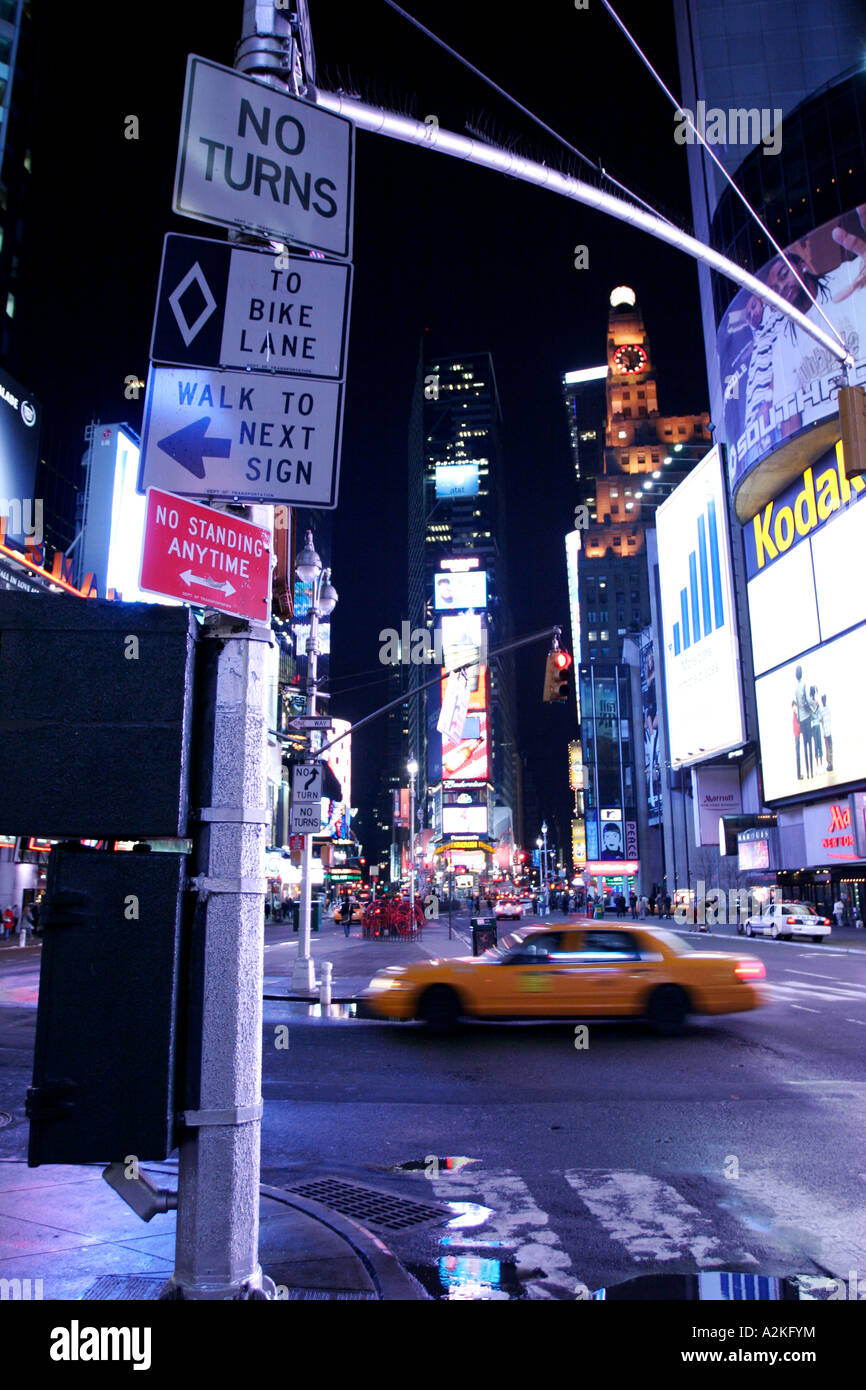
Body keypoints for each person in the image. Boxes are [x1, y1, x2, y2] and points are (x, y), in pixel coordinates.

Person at [819, 694, 833, 772]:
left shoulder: (822, 710)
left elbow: (820, 720)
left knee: (828, 748)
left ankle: (829, 764)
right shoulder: (828, 709)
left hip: (826, 732)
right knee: (829, 748)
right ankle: (830, 764)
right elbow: (829, 719)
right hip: (828, 732)